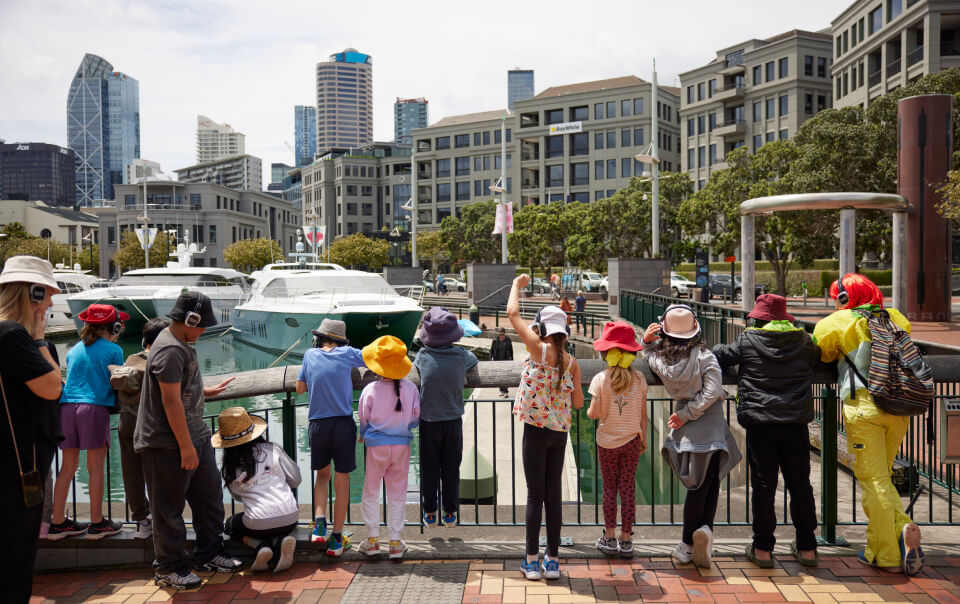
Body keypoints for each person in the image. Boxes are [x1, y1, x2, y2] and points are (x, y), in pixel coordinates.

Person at [814, 273, 923, 575]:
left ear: (845, 298)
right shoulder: (896, 317)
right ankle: (883, 543)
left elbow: (821, 350)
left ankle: (888, 556)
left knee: (872, 481)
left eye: (837, 296)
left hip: (863, 408)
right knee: (882, 477)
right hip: (899, 406)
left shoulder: (838, 322)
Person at [134, 291, 240, 590]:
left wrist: (205, 392)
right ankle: (169, 567)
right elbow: (169, 401)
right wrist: (185, 446)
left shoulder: (183, 343)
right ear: (189, 319)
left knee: (209, 500)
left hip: (195, 436)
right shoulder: (169, 349)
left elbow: (177, 388)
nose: (205, 329)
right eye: (202, 323)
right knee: (168, 509)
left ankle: (208, 552)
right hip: (167, 442)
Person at [712, 294, 819, 568]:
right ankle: (807, 549)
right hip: (795, 423)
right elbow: (819, 357)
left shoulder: (748, 340)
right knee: (800, 485)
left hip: (761, 424)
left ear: (757, 319)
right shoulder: (804, 341)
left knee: (763, 486)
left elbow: (719, 356)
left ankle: (762, 550)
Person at [642, 304, 741, 569]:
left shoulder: (661, 361)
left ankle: (687, 545)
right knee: (711, 484)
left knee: (695, 487)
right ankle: (704, 532)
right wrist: (689, 413)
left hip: (686, 428)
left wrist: (647, 342)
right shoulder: (705, 357)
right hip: (711, 423)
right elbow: (713, 391)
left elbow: (648, 356)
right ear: (694, 330)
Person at [507, 274, 583, 581]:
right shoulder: (572, 361)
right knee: (553, 496)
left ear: (542, 328)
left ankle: (531, 561)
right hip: (558, 434)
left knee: (533, 495)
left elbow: (512, 313)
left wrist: (516, 284)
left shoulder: (537, 349)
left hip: (536, 432)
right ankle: (552, 561)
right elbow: (578, 403)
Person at [0, 256, 63, 603]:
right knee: (15, 563)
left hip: (14, 465)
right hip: (18, 469)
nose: (51, 302)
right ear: (33, 293)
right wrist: (39, 338)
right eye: (48, 294)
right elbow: (54, 387)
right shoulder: (13, 336)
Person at [48, 303, 128, 540]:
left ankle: (58, 523)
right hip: (93, 408)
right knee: (95, 469)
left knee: (67, 468)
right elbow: (120, 381)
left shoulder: (73, 350)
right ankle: (97, 523)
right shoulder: (114, 350)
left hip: (67, 407)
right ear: (113, 326)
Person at [295, 318, 365, 556]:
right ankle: (336, 539)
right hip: (343, 423)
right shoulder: (347, 353)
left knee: (322, 475)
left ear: (319, 338)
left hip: (317, 424)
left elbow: (300, 388)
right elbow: (372, 357)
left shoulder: (309, 355)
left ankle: (318, 525)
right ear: (340, 339)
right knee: (342, 478)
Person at [587, 321, 648, 558]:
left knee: (610, 489)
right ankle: (626, 540)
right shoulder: (641, 379)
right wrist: (643, 438)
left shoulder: (601, 379)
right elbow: (643, 415)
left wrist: (595, 406)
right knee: (628, 488)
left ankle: (609, 538)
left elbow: (594, 414)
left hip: (607, 442)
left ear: (606, 353)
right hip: (632, 440)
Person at [214, 407, 301, 573]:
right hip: (290, 517)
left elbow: (238, 497)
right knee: (273, 523)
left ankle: (260, 546)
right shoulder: (273, 450)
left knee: (230, 525)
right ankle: (279, 542)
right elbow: (296, 480)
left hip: (256, 524)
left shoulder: (230, 467)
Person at [413, 307, 478, 528]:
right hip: (452, 420)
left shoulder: (422, 356)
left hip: (429, 421)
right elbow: (474, 360)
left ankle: (430, 511)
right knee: (451, 468)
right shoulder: (461, 356)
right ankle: (450, 511)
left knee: (429, 468)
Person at [357, 335, 420, 560]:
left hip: (376, 447)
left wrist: (363, 435)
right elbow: (415, 418)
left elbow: (363, 419)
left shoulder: (370, 389)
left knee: (371, 491)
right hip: (402, 446)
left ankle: (372, 540)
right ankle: (395, 542)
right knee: (397, 493)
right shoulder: (411, 388)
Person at [109, 316, 170, 540]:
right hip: (150, 425)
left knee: (131, 472)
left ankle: (142, 520)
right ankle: (163, 521)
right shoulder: (161, 360)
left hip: (125, 422)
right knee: (158, 473)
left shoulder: (131, 360)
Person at [489, 327, 514, 397]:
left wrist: (511, 360)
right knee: (499, 376)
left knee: (505, 376)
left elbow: (511, 350)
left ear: (504, 334)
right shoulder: (495, 340)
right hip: (497, 360)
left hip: (505, 360)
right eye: (500, 334)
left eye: (502, 334)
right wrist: (490, 359)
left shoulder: (508, 340)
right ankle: (501, 390)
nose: (501, 336)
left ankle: (506, 391)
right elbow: (491, 350)